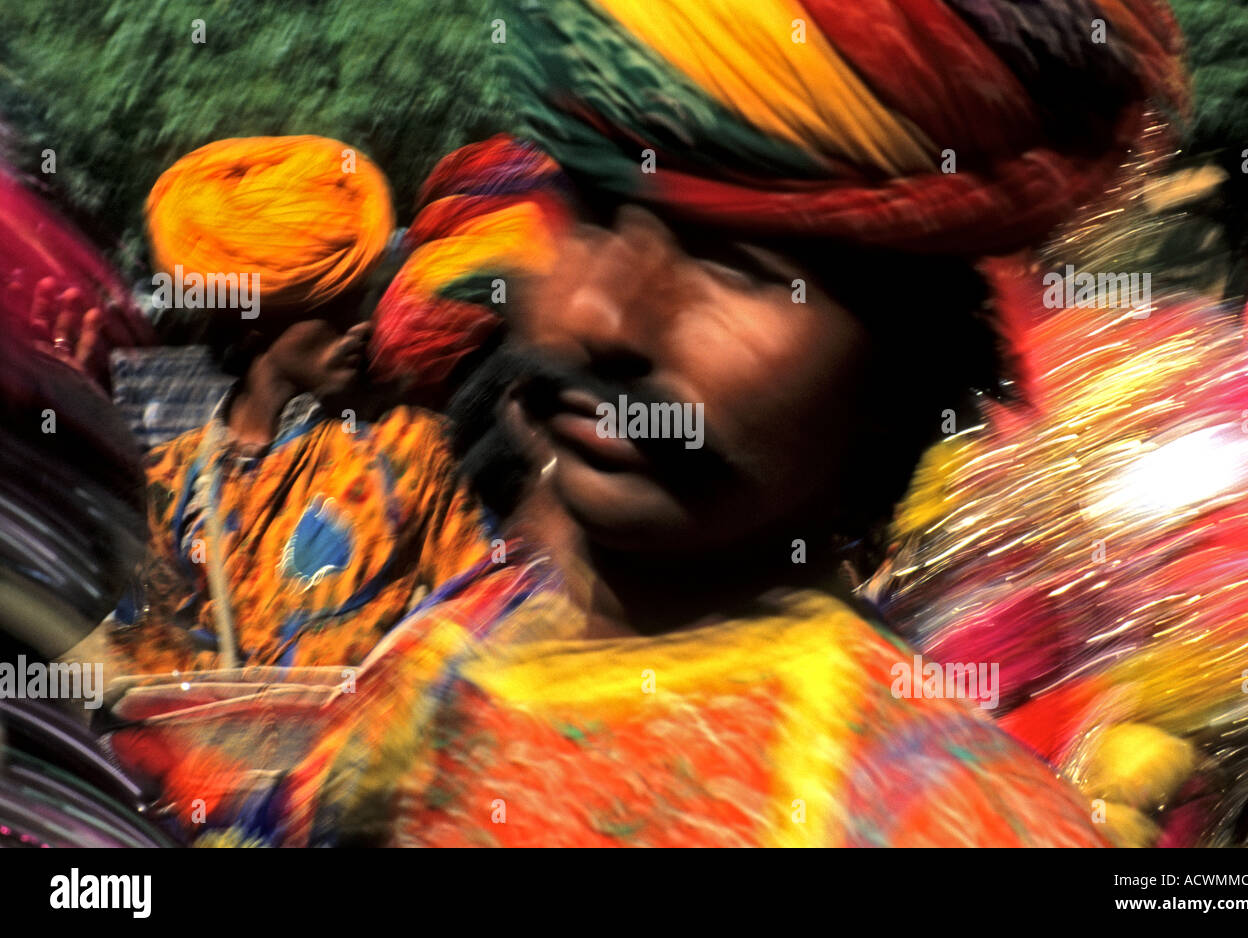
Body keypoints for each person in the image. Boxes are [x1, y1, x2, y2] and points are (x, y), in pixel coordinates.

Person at [104, 0, 1181, 846]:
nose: (595, 316)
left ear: (900, 362)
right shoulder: (451, 652)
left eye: (734, 265)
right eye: (591, 217)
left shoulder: (944, 813)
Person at [99, 135, 495, 674]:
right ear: (256, 321)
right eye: (331, 308)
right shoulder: (168, 484)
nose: (361, 326)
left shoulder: (410, 452)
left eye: (361, 301)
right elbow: (135, 659)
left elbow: (487, 622)